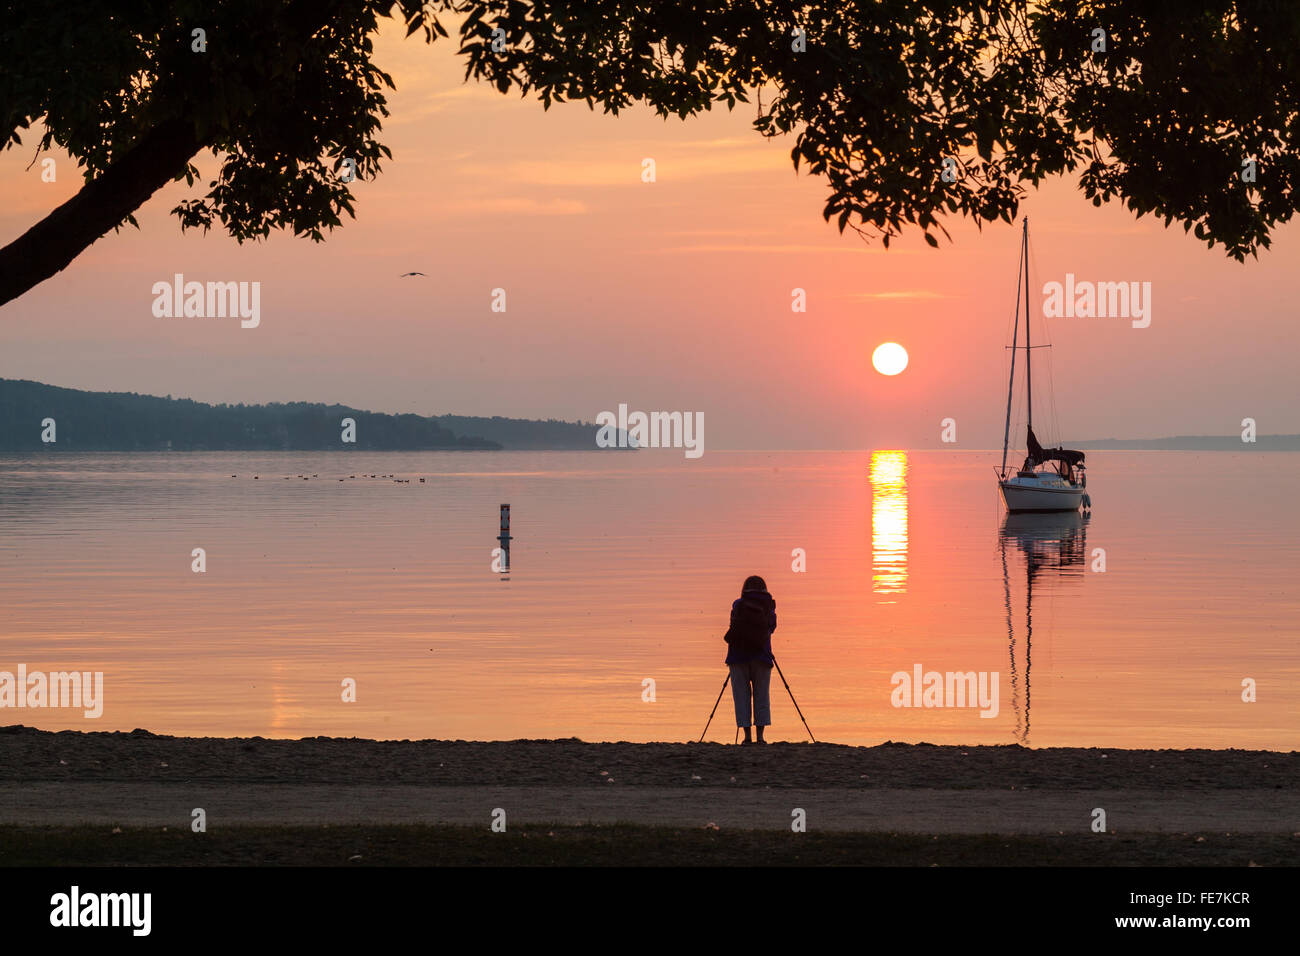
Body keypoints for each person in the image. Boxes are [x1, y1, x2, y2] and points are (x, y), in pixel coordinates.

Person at [724, 574, 777, 744]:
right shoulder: (769, 606)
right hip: (762, 655)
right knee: (762, 695)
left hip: (738, 656)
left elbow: (733, 626)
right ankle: (760, 738)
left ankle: (747, 737)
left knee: (741, 695)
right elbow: (772, 627)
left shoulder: (738, 605)